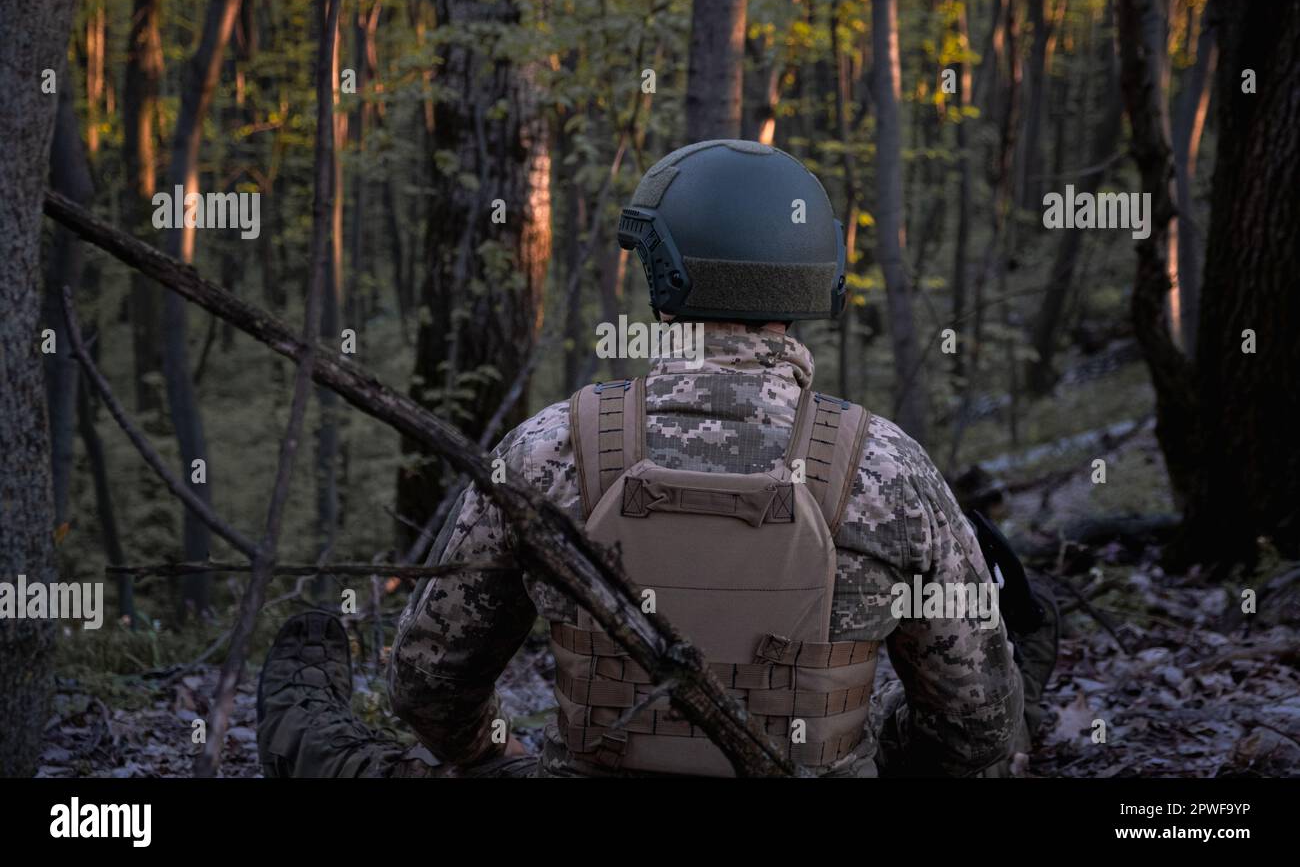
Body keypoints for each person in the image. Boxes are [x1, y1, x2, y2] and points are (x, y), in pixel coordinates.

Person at [256, 139, 1058, 778]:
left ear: (661, 276)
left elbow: (429, 685)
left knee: (344, 756)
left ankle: (299, 714)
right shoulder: (890, 471)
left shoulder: (550, 449)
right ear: (816, 284)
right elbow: (978, 727)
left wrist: (488, 755)